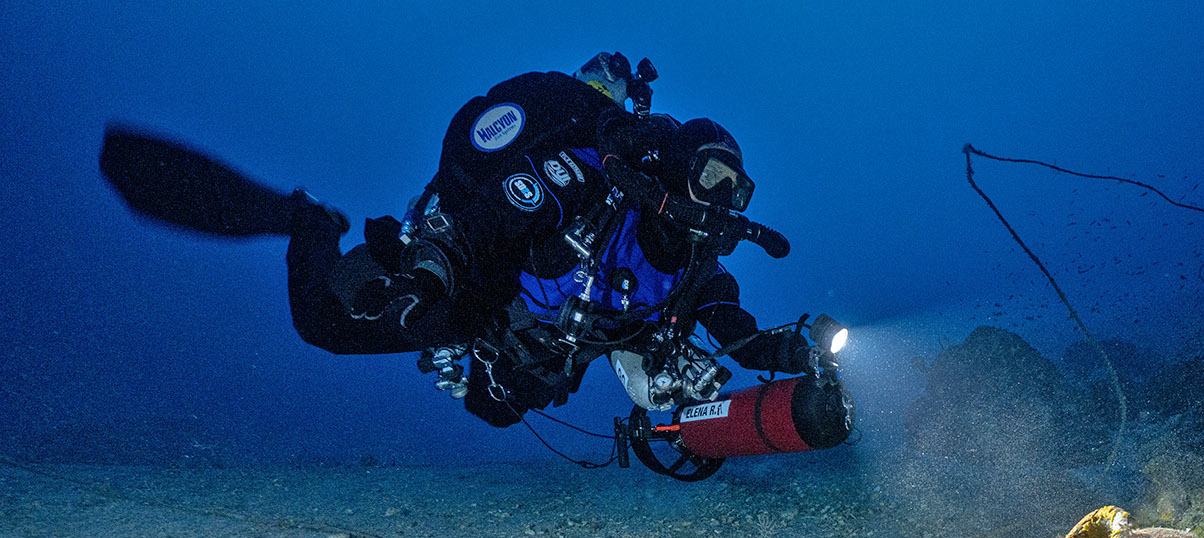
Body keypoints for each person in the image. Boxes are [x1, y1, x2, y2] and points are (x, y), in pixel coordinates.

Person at [285, 52, 811, 428]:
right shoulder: (583, 180)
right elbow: (484, 224)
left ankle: (481, 367)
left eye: (737, 192)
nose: (722, 202)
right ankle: (314, 223)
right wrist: (424, 280)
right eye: (713, 178)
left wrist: (780, 348)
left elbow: (729, 322)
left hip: (555, 343)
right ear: (673, 169)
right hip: (489, 296)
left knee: (496, 410)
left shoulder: (697, 264)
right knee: (320, 324)